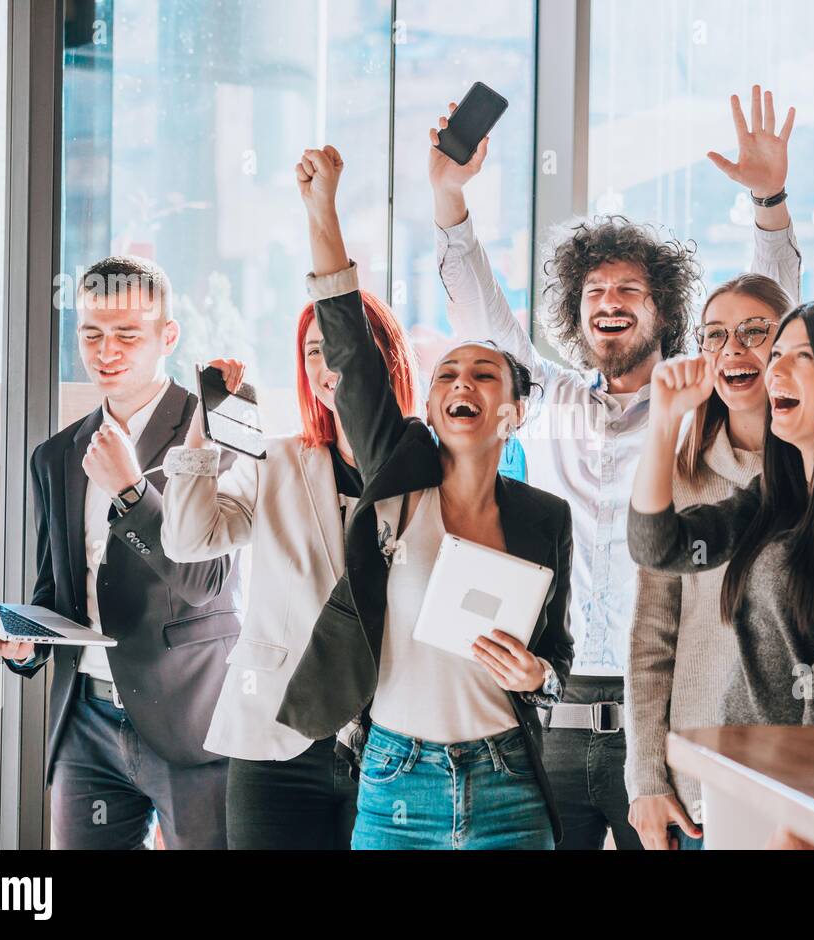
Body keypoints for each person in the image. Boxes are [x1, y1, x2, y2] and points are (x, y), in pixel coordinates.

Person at [429, 85, 802, 850]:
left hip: (662, 722)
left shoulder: (700, 397)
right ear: (576, 311)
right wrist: (448, 197)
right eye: (595, 290)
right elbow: (480, 320)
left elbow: (770, 320)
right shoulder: (551, 399)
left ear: (663, 309)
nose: (610, 300)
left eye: (630, 289)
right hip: (553, 720)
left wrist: (770, 199)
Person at [275, 145, 575, 849]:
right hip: (396, 778)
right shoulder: (397, 476)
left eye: (484, 374)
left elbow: (556, 657)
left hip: (509, 781)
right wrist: (322, 212)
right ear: (432, 406)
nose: (462, 383)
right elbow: (350, 351)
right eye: (447, 375)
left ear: (514, 412)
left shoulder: (544, 517)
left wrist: (538, 673)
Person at [0, 256, 242, 849]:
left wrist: (132, 492)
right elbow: (55, 594)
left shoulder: (218, 428)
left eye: (126, 335)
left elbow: (206, 580)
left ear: (168, 336)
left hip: (191, 720)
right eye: (91, 334)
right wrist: (24, 642)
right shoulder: (57, 455)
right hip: (83, 724)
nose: (105, 351)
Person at [159, 290, 418, 849]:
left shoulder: (429, 470)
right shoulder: (275, 463)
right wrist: (204, 429)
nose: (330, 366)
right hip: (276, 735)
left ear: (386, 356)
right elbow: (187, 538)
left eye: (345, 346)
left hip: (396, 742)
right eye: (314, 352)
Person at [628, 300, 814, 733]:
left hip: (806, 780)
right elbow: (659, 548)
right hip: (748, 769)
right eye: (777, 355)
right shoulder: (777, 494)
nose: (776, 373)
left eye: (804, 356)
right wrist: (665, 421)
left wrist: (797, 791)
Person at [625, 274, 794, 850]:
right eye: (715, 336)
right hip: (697, 789)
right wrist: (646, 777)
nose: (732, 350)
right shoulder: (678, 475)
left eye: (754, 332)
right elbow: (653, 635)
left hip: (801, 783)